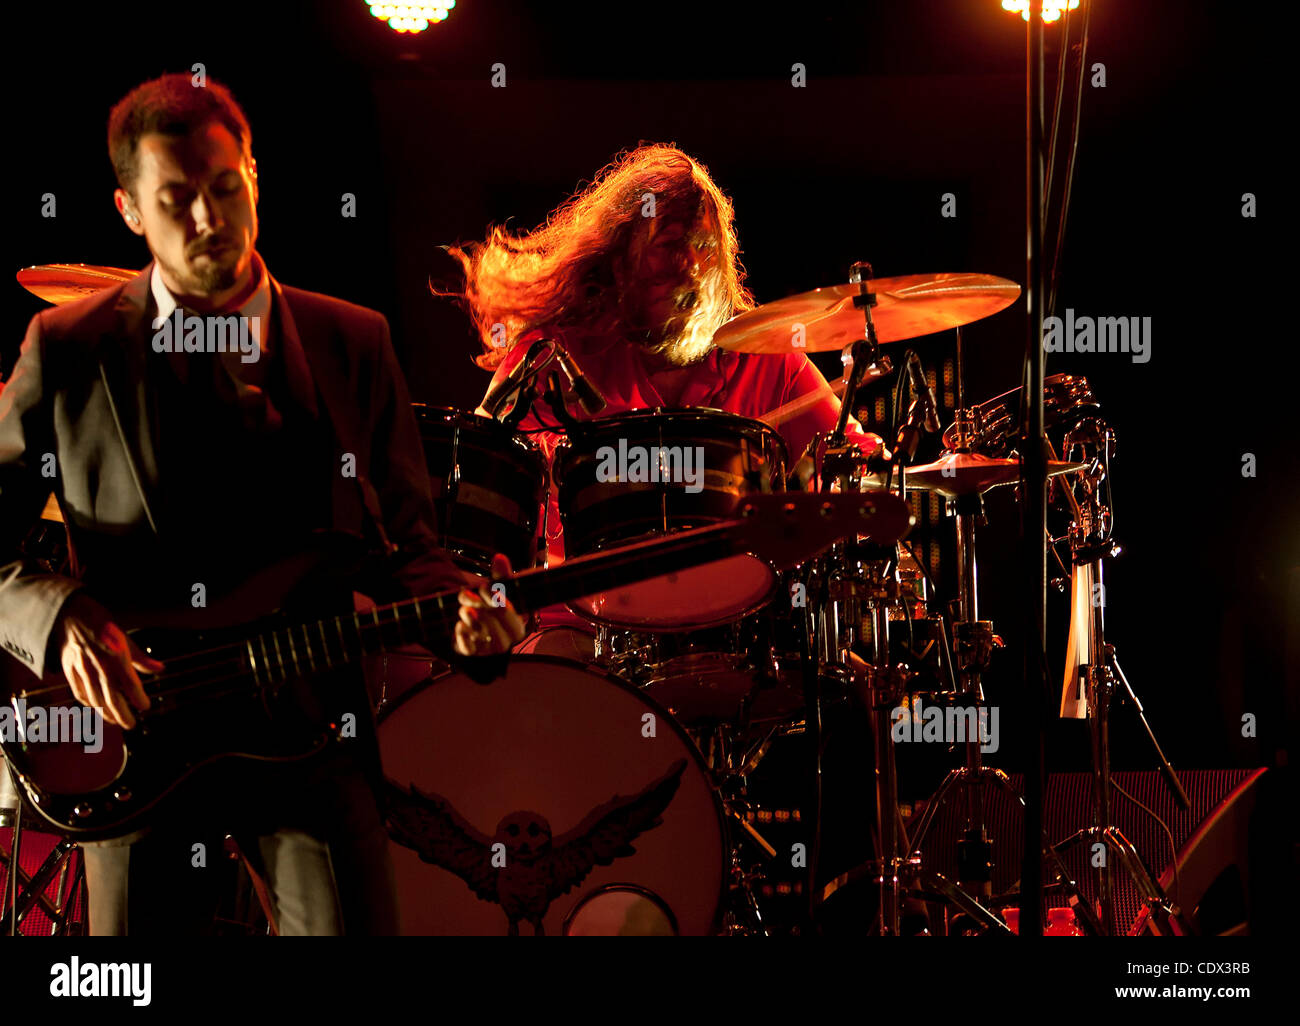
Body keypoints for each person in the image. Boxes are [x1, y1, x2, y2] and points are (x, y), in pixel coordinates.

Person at [0, 73, 523, 935]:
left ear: (255, 177)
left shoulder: (353, 341)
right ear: (129, 209)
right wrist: (62, 619)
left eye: (225, 188)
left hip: (311, 735)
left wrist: (464, 617)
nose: (208, 221)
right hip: (139, 738)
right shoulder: (66, 349)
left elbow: (409, 552)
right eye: (176, 200)